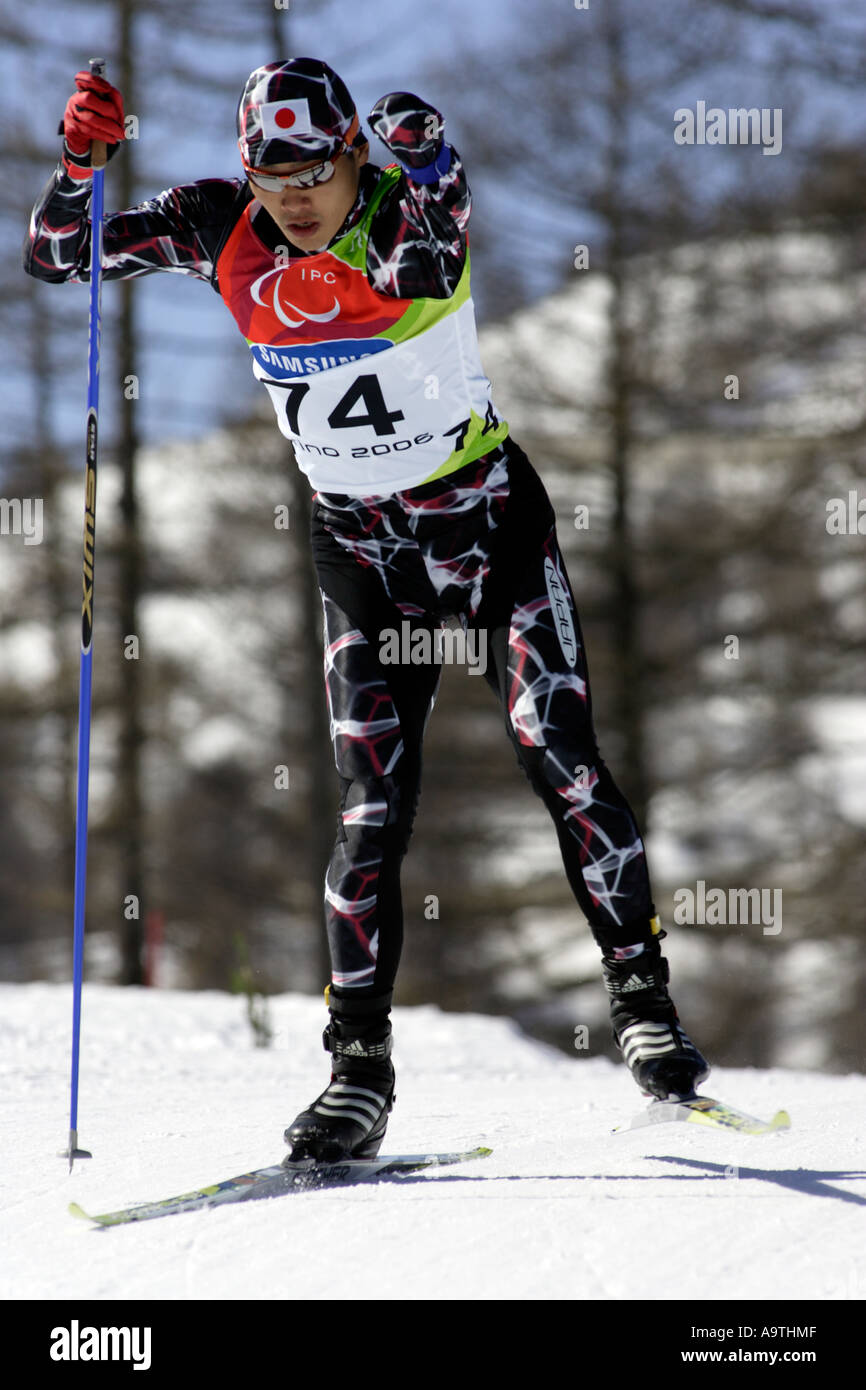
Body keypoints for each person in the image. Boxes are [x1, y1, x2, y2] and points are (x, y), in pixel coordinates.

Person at [25, 58, 709, 1162]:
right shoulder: (218, 226)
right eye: (266, 168)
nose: (290, 193)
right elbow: (55, 257)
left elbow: (425, 256)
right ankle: (357, 1074)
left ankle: (643, 1010)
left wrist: (428, 160)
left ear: (352, 153)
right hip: (362, 550)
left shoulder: (410, 210)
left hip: (486, 533)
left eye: (310, 165)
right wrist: (77, 165)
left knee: (559, 755)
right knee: (368, 810)